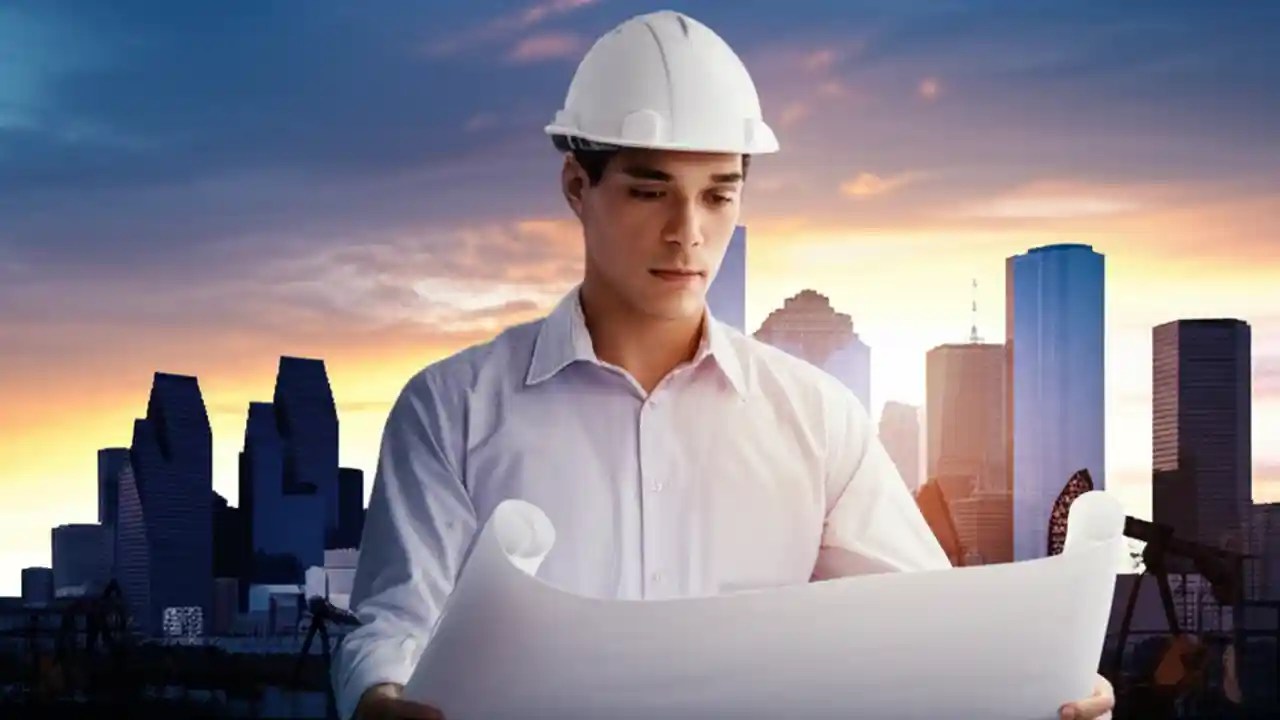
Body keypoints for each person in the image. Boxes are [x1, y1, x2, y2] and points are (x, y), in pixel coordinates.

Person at [332, 10, 1115, 720]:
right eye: (650, 192)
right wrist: (380, 700)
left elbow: (930, 633)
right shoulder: (451, 409)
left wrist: (1052, 682)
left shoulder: (817, 420)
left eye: (718, 196)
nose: (689, 233)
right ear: (577, 185)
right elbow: (398, 625)